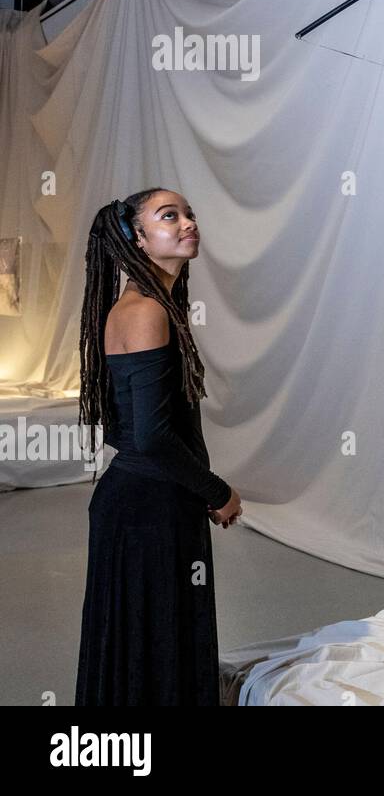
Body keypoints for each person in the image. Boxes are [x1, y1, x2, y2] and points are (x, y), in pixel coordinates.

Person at [75, 187, 242, 705]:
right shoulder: (145, 311)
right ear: (138, 239)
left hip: (150, 502)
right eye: (169, 216)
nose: (188, 223)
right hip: (147, 508)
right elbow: (149, 438)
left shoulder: (152, 306)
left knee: (151, 649)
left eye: (189, 213)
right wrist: (217, 491)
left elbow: (127, 426)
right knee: (156, 650)